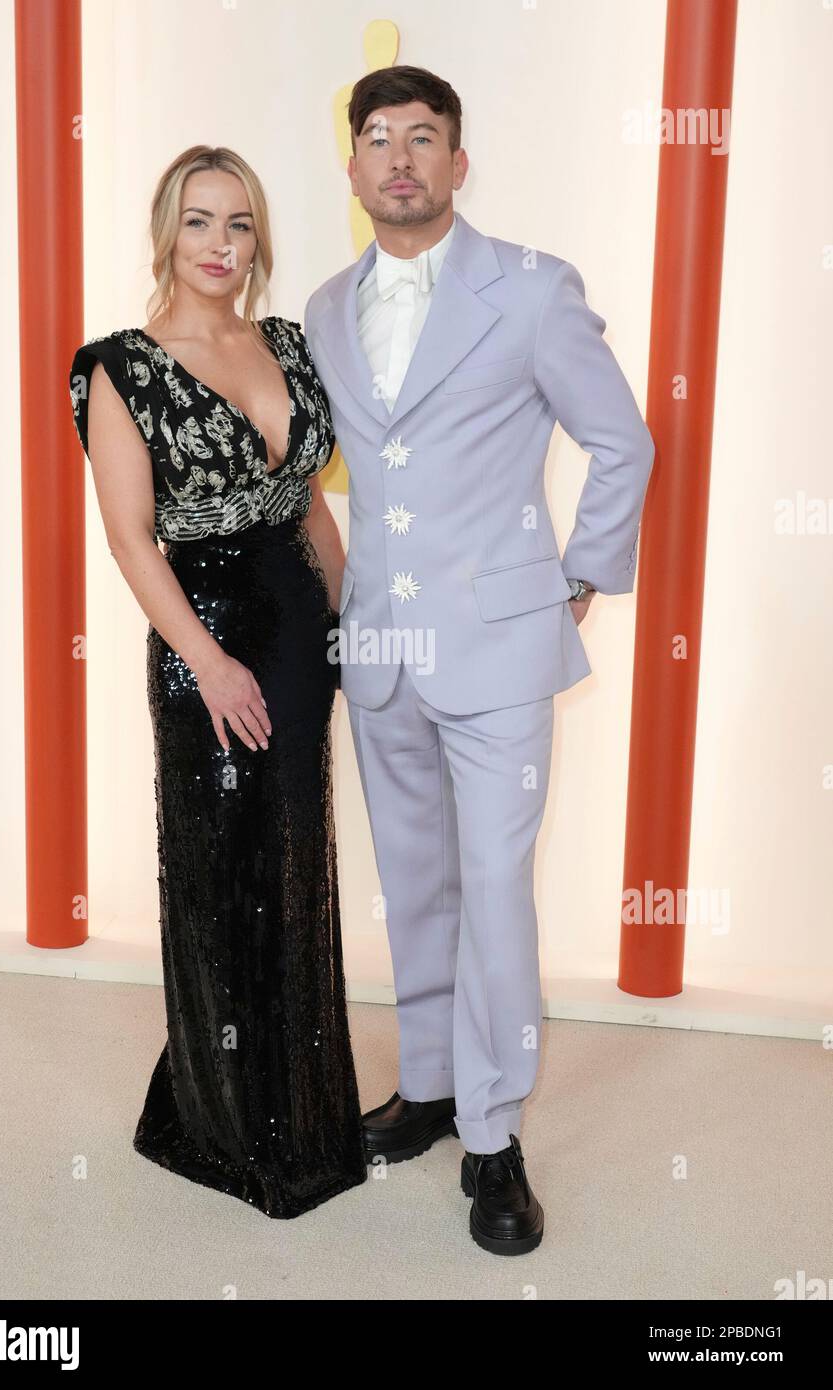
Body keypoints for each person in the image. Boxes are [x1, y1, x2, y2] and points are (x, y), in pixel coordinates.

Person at [305, 66, 655, 1254]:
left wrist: (575, 579)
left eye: (422, 138)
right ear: (351, 170)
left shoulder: (535, 290)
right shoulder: (319, 307)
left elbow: (621, 441)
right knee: (415, 884)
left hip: (500, 645)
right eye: (376, 140)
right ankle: (434, 1086)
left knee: (496, 894)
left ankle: (496, 1135)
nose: (397, 158)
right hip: (381, 651)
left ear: (459, 163)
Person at [68, 146, 366, 1218]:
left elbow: (311, 504)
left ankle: (300, 1104)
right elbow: (130, 540)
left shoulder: (286, 342)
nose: (219, 247)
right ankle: (226, 1126)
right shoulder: (119, 367)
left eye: (237, 225)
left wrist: (353, 619)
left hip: (298, 627)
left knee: (294, 853)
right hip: (208, 635)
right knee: (221, 865)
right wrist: (207, 661)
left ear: (258, 240)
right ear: (166, 231)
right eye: (198, 222)